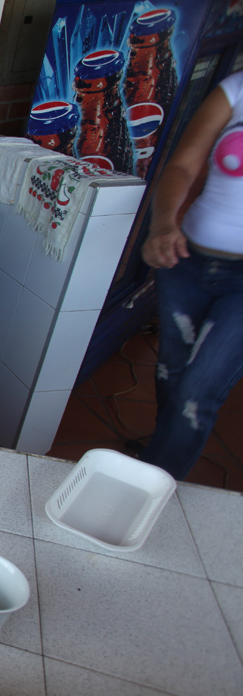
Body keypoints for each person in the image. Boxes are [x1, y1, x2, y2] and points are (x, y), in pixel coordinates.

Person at [137, 70, 243, 479]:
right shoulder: (233, 91)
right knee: (171, 376)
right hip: (187, 260)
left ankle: (148, 488)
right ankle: (162, 457)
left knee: (198, 393)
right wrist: (163, 223)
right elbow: (182, 166)